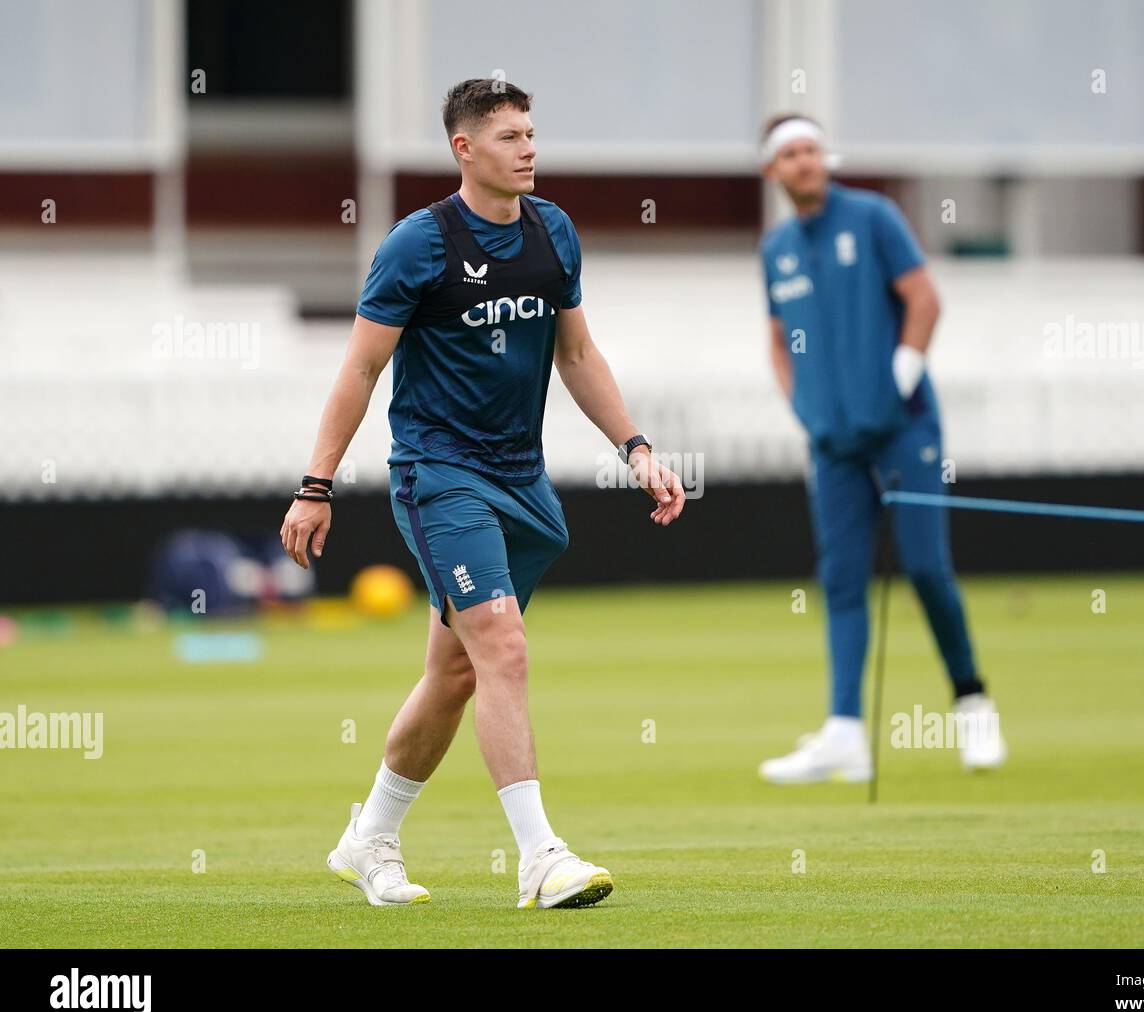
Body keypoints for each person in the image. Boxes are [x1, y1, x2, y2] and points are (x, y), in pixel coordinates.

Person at [280, 78, 685, 908]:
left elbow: (576, 354)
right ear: (464, 149)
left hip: (521, 484)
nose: (528, 148)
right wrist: (315, 485)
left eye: (531, 132)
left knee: (457, 673)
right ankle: (542, 857)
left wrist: (635, 446)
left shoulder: (554, 232)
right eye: (508, 136)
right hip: (437, 477)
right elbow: (360, 369)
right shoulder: (417, 245)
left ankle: (371, 839)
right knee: (502, 646)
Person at [756, 114, 1005, 783]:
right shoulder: (776, 247)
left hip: (904, 426)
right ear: (772, 171)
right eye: (791, 154)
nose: (806, 163)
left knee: (926, 568)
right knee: (841, 580)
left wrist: (904, 362)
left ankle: (972, 701)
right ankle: (844, 731)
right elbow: (779, 343)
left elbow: (924, 298)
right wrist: (803, 407)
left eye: (812, 151)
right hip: (833, 442)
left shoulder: (873, 216)